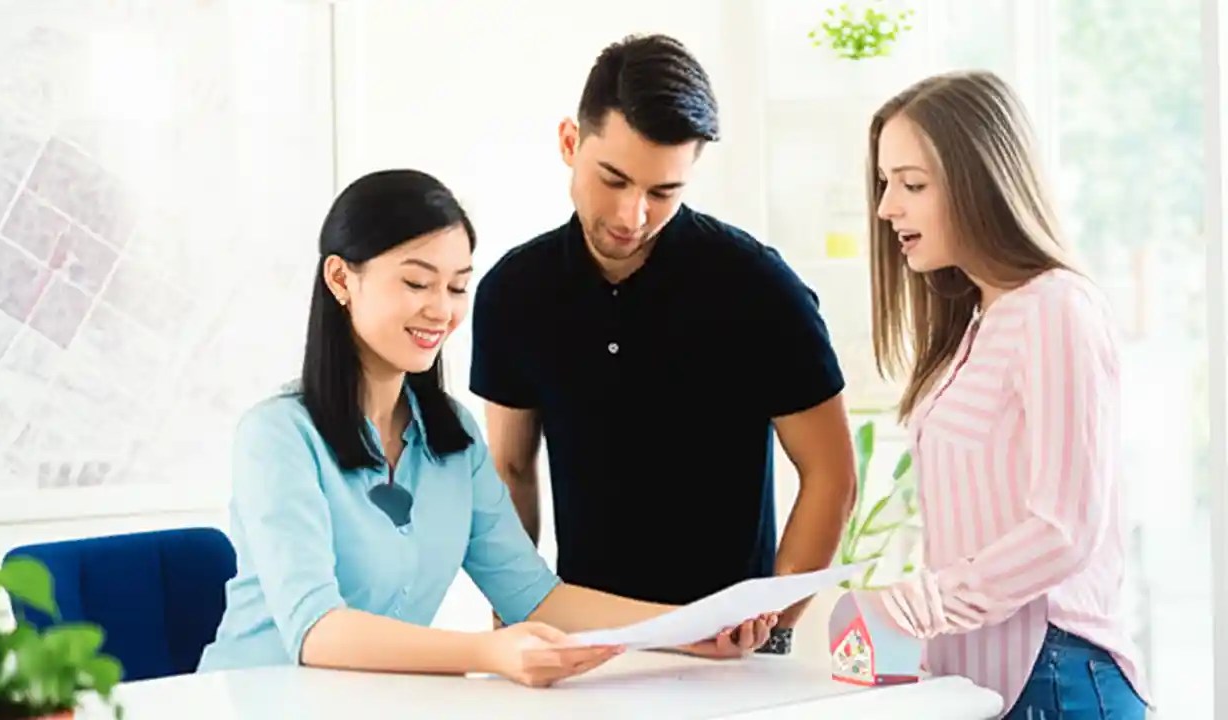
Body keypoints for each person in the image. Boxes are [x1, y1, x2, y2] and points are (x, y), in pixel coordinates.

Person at [197, 169, 778, 686]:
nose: (442, 310)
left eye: (456, 286)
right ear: (341, 280)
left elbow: (535, 597)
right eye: (417, 283)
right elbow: (316, 630)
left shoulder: (454, 439)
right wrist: (487, 652)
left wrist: (687, 630)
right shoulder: (278, 436)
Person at [469, 33, 857, 655]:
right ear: (571, 143)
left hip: (736, 653)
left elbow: (831, 473)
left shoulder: (760, 288)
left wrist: (774, 616)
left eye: (662, 193)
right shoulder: (513, 292)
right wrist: (511, 622)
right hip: (588, 644)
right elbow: (511, 469)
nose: (633, 216)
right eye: (614, 180)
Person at [864, 69, 1151, 718]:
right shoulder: (976, 323)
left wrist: (927, 601)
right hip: (987, 683)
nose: (887, 207)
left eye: (912, 184)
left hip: (1056, 678)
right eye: (886, 184)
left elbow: (1063, 528)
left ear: (980, 180)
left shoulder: (1055, 309)